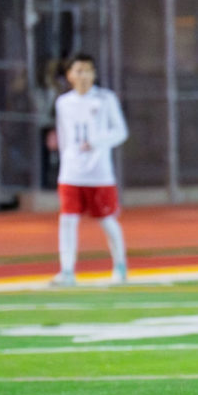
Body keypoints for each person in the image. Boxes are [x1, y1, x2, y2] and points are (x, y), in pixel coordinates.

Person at [49, 52, 130, 285]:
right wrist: (66, 162)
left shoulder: (105, 99)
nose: (83, 75)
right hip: (71, 173)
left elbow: (120, 132)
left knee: (106, 220)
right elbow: (64, 137)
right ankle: (67, 271)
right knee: (67, 220)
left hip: (99, 174)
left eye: (88, 70)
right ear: (69, 75)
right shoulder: (63, 103)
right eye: (78, 70)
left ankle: (120, 266)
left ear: (94, 73)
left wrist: (96, 143)